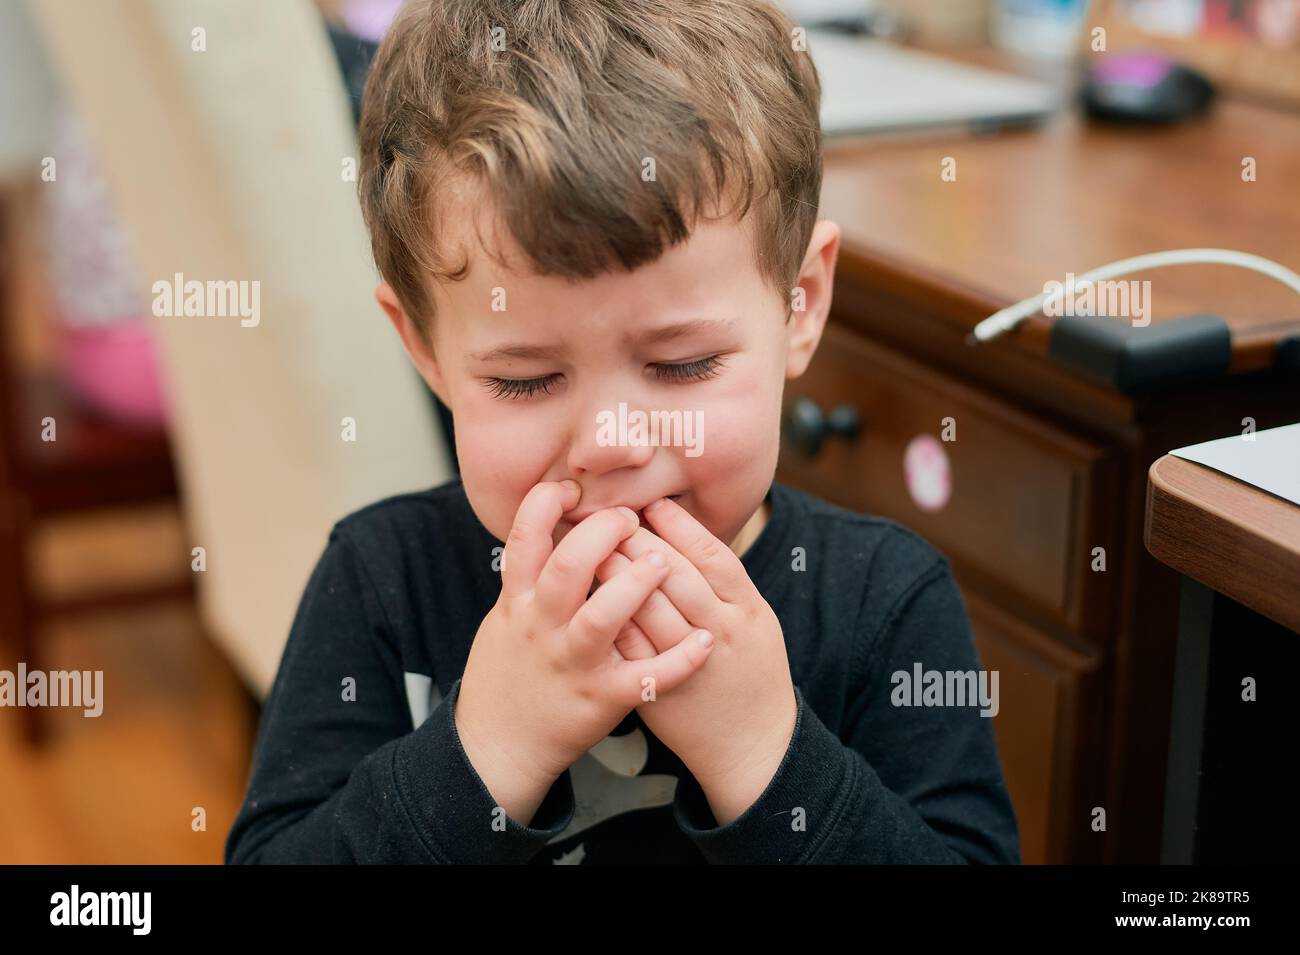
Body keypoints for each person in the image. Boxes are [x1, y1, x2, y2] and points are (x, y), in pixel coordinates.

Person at [225, 0, 1020, 864]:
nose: (611, 440)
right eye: (524, 379)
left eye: (682, 365)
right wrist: (487, 747)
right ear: (424, 346)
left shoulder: (882, 603)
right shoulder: (382, 586)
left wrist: (764, 751)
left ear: (801, 305)